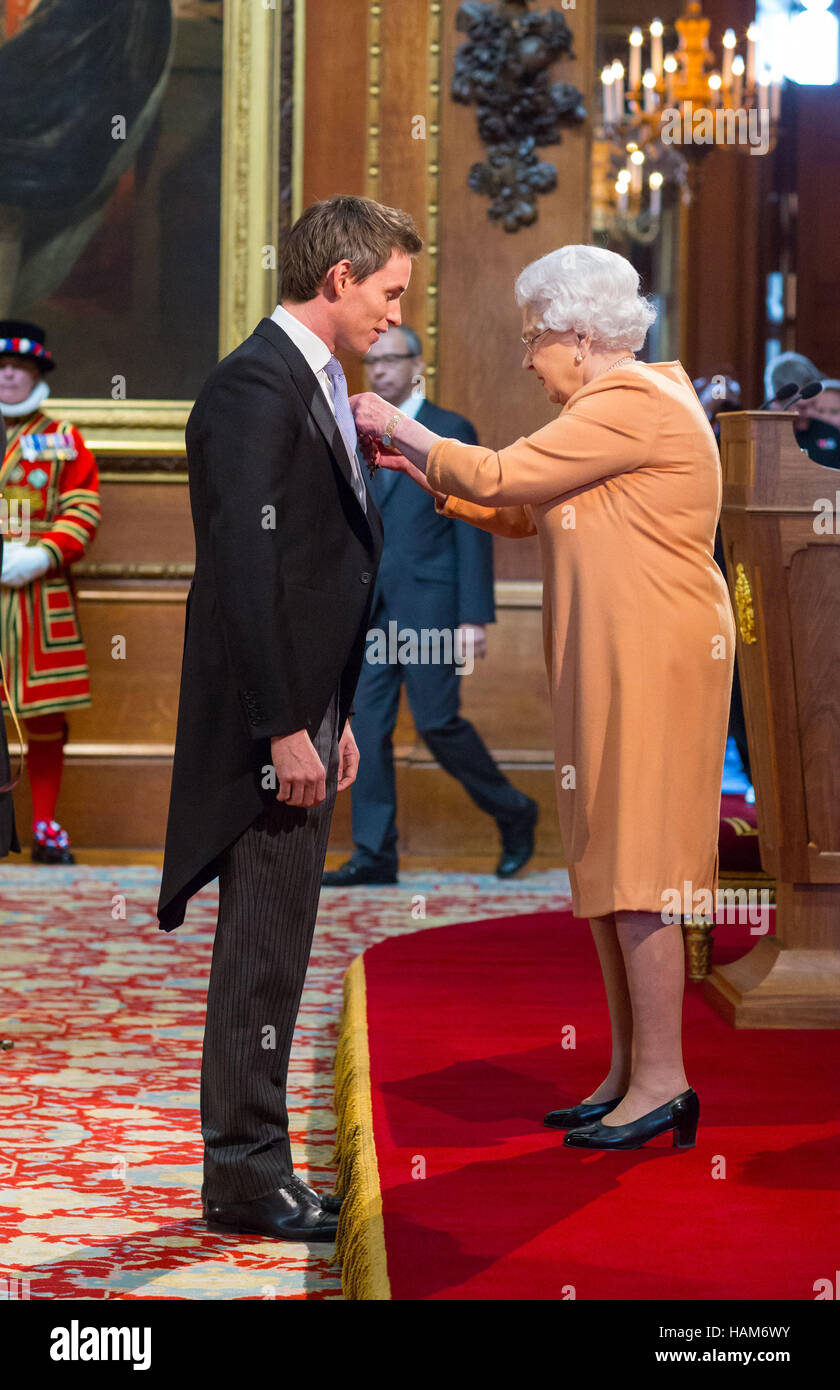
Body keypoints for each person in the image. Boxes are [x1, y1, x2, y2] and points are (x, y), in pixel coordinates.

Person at [352, 244, 735, 1153]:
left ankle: (664, 1081)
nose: (526, 358)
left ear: (575, 334)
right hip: (615, 651)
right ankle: (627, 1073)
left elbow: (501, 475)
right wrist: (426, 475)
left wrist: (398, 428)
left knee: (639, 865)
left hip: (651, 653)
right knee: (607, 860)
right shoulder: (614, 406)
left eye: (532, 340)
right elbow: (522, 506)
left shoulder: (630, 399)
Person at [156, 195, 421, 1241]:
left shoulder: (311, 380)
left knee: (279, 938)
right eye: (390, 292)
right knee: (263, 946)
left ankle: (254, 1162)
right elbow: (245, 569)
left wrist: (333, 711)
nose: (395, 316)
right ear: (339, 277)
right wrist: (280, 727)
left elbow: (316, 571)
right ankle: (244, 1173)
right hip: (266, 724)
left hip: (305, 708)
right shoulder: (254, 386)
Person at [323, 324, 538, 887]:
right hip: (370, 611)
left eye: (392, 361)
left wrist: (473, 616)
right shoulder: (352, 432)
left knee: (438, 724)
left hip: (431, 608)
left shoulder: (447, 429)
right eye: (373, 364)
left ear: (417, 365)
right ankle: (375, 853)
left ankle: (514, 811)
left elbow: (473, 528)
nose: (381, 372)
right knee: (365, 727)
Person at [0, 321, 101, 864]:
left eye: (19, 367)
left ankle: (43, 826)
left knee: (43, 715)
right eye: (1, 367)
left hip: (39, 599)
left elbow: (83, 507)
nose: (9, 375)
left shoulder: (60, 437)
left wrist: (41, 554)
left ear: (36, 372)